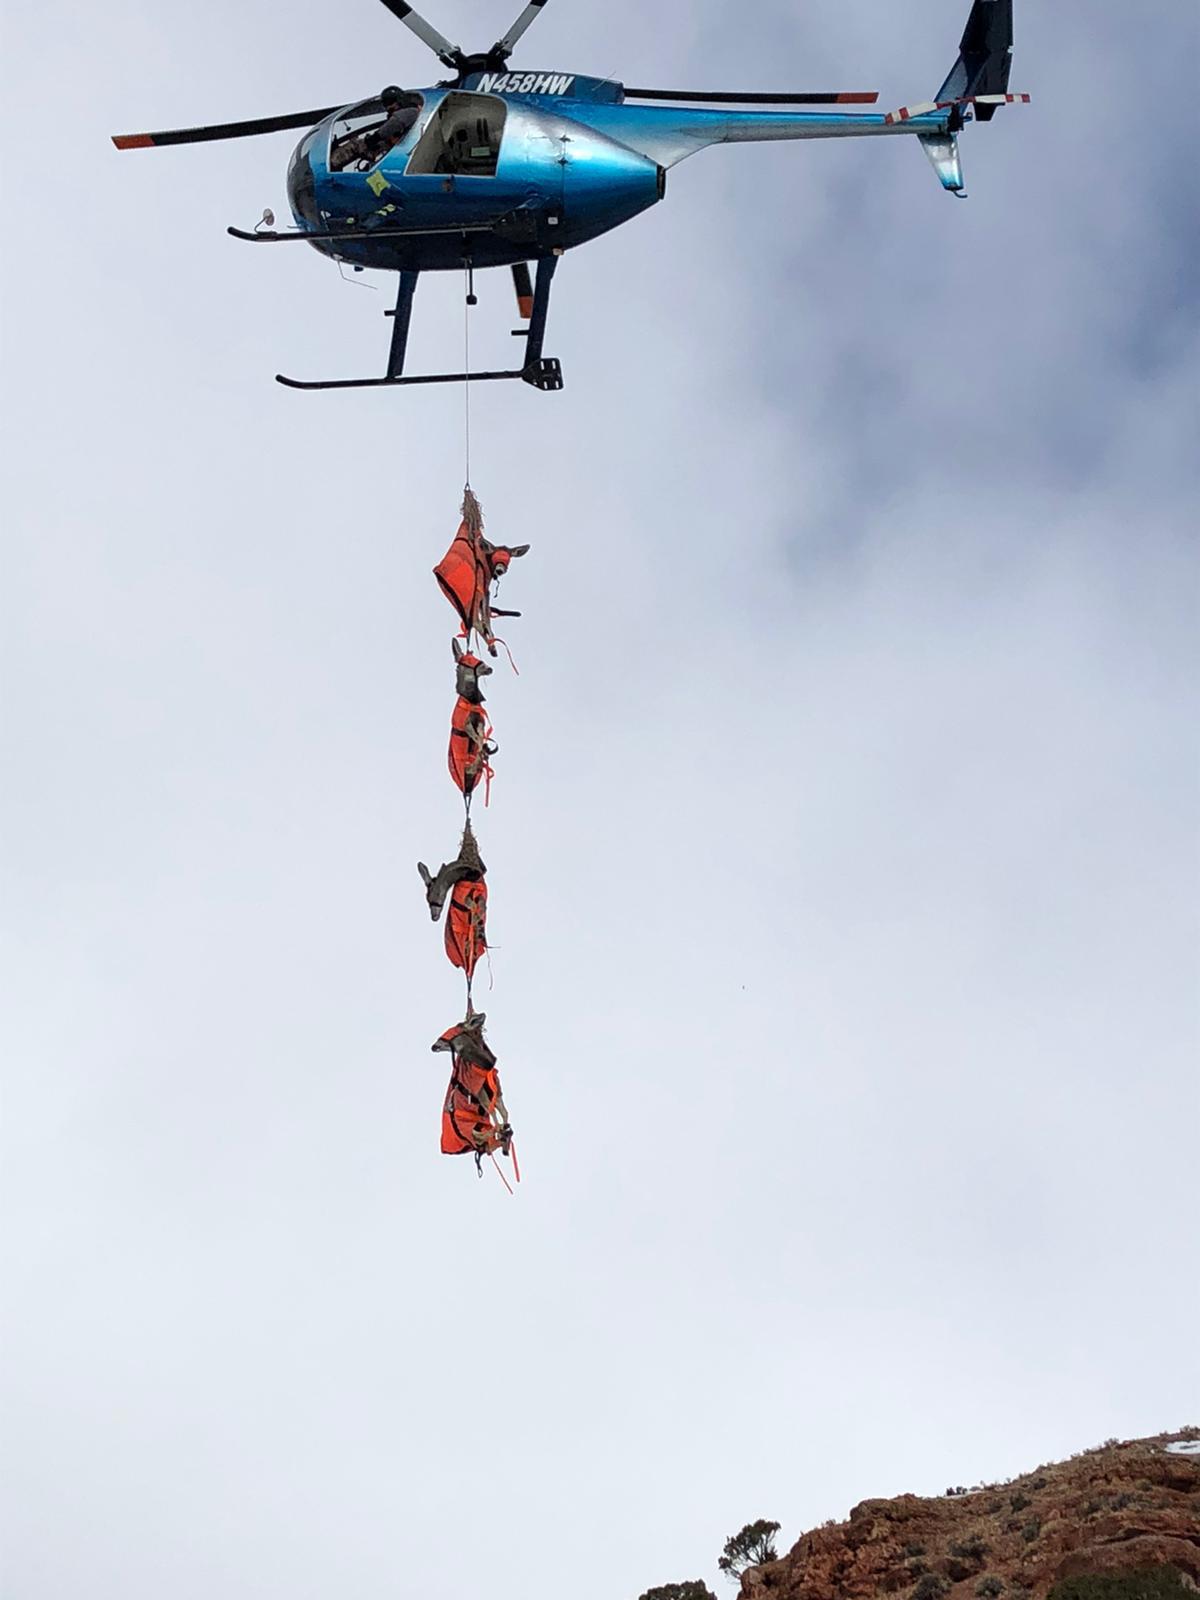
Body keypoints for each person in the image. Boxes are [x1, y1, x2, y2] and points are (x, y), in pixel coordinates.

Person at [331, 88, 422, 171]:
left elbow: (394, 123)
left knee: (357, 145)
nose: (388, 107)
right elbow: (387, 142)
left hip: (404, 158)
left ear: (400, 100)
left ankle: (331, 163)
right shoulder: (402, 128)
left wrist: (373, 139)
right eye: (385, 104)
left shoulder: (411, 112)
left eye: (390, 102)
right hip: (400, 159)